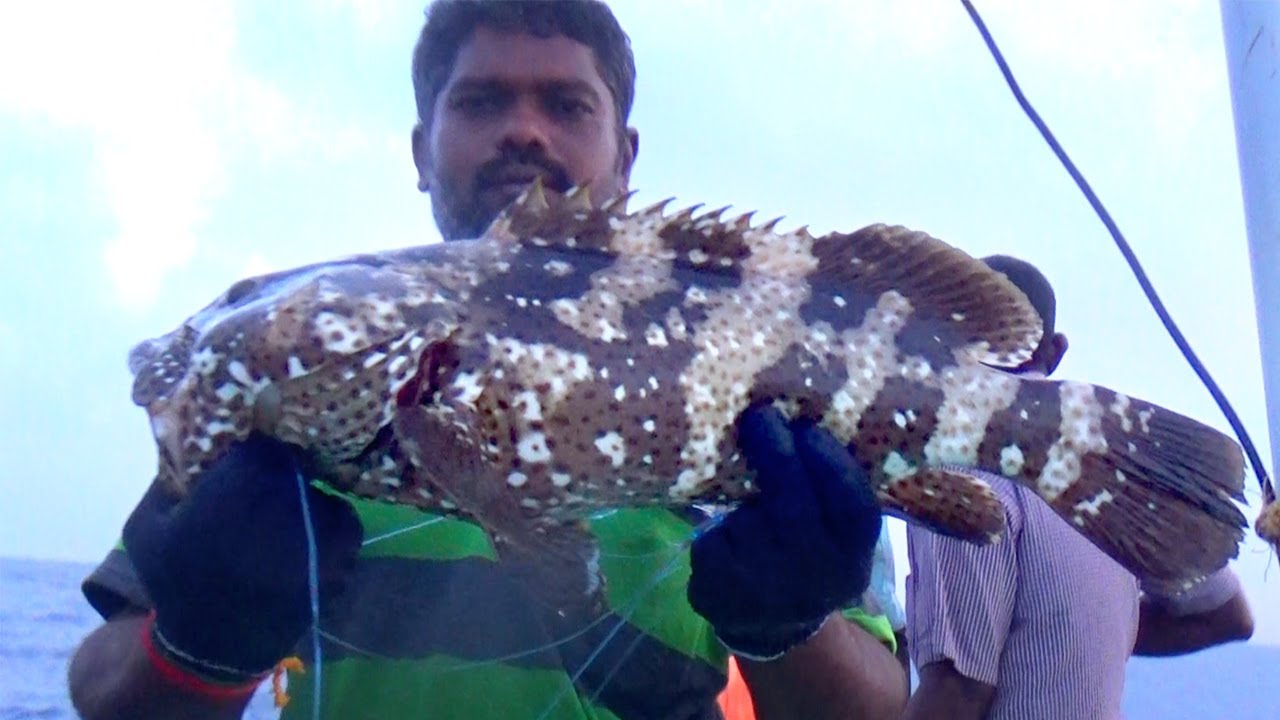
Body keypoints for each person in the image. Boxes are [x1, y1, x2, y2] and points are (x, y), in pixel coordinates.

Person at [66, 3, 909, 719]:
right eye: (478, 102)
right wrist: (195, 646)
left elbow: (881, 704)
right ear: (421, 151)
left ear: (626, 156)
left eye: (569, 105)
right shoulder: (303, 387)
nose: (523, 130)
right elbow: (99, 675)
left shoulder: (771, 367)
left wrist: (787, 626)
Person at [901, 255, 1255, 720]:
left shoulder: (958, 467)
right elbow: (1228, 616)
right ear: (1055, 352)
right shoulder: (1116, 463)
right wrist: (1093, 630)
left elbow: (958, 691)